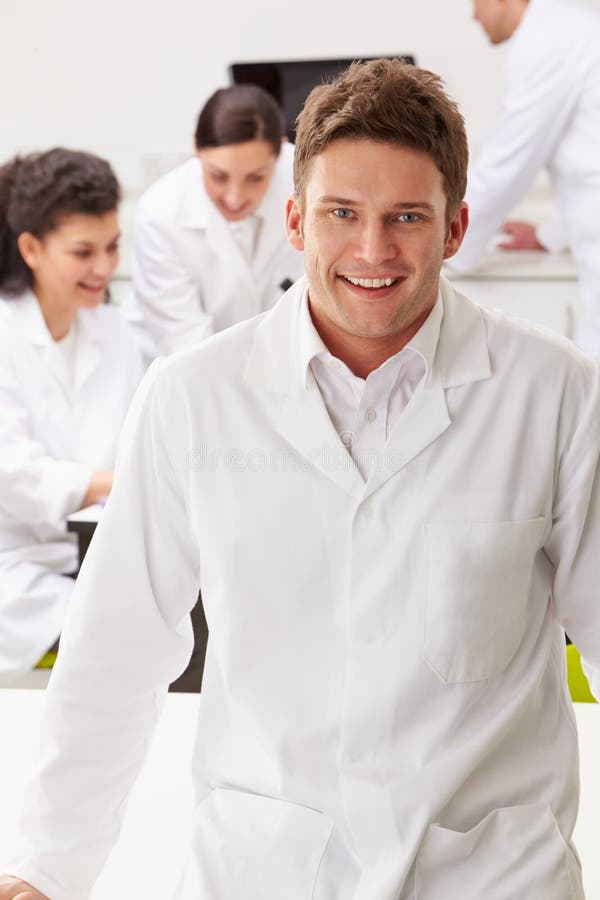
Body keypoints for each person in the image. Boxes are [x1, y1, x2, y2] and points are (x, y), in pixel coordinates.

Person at [1, 57, 599, 899]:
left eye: (407, 218)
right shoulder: (191, 397)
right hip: (266, 869)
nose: (372, 249)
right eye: (342, 213)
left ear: (456, 227)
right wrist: (46, 866)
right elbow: (116, 650)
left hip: (490, 874)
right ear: (296, 218)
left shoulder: (556, 393)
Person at [0, 148, 144, 683]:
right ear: (32, 248)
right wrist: (119, 481)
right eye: (83, 252)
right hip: (17, 570)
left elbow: (141, 439)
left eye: (112, 247)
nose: (104, 268)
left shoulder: (116, 333)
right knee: (116, 638)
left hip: (98, 556)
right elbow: (13, 474)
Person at [450, 0, 600, 356]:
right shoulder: (578, 27)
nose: (473, 15)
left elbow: (507, 167)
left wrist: (443, 243)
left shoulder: (549, 38)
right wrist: (550, 235)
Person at [125, 83, 304, 358]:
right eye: (218, 176)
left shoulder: (309, 185)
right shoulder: (161, 214)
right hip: (183, 372)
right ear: (196, 146)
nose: (234, 198)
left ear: (280, 150)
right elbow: (187, 344)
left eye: (256, 178)